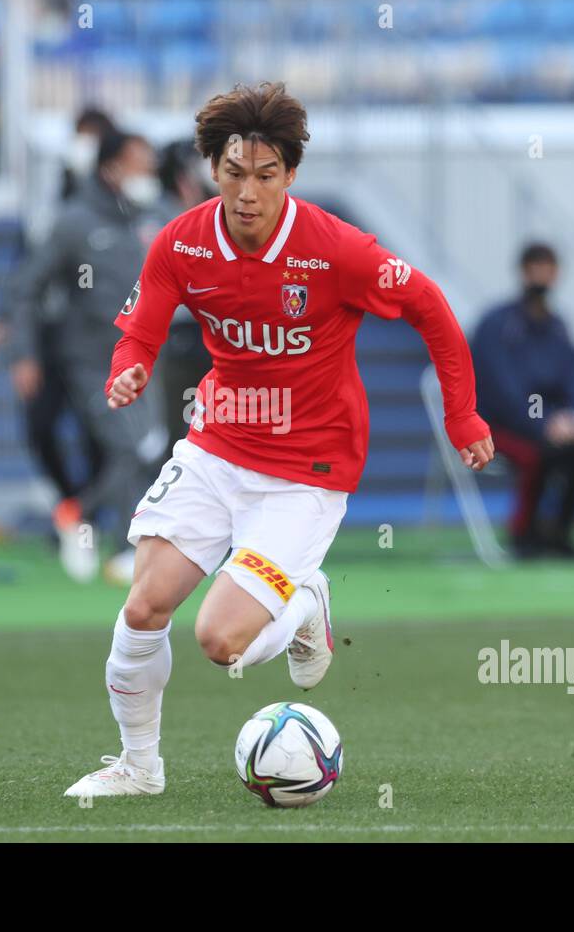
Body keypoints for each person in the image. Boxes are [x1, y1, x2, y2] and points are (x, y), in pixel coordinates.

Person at [63, 82, 494, 798]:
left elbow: (428, 305)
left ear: (290, 175)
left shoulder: (334, 250)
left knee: (218, 641)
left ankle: (306, 603)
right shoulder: (183, 240)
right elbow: (139, 330)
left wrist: (463, 417)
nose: (248, 192)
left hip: (306, 469)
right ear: (212, 170)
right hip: (216, 448)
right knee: (142, 607)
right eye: (233, 174)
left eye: (266, 176)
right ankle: (138, 768)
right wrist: (129, 368)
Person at [1, 130, 170, 586]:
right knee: (130, 446)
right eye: (139, 164)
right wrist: (23, 353)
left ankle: (111, 536)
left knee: (151, 447)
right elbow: (24, 287)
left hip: (147, 358)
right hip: (93, 359)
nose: (147, 173)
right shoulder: (74, 222)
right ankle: (84, 517)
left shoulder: (156, 216)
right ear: (111, 167)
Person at [472, 243, 574, 558]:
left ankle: (560, 532)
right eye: (536, 268)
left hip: (551, 422)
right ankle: (525, 534)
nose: (543, 277)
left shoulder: (558, 326)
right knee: (540, 453)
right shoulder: (498, 325)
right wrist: (541, 424)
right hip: (500, 426)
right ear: (522, 272)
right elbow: (500, 390)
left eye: (549, 269)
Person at [156, 138, 216, 446]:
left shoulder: (228, 210)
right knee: (180, 430)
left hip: (223, 332)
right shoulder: (158, 214)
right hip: (180, 331)